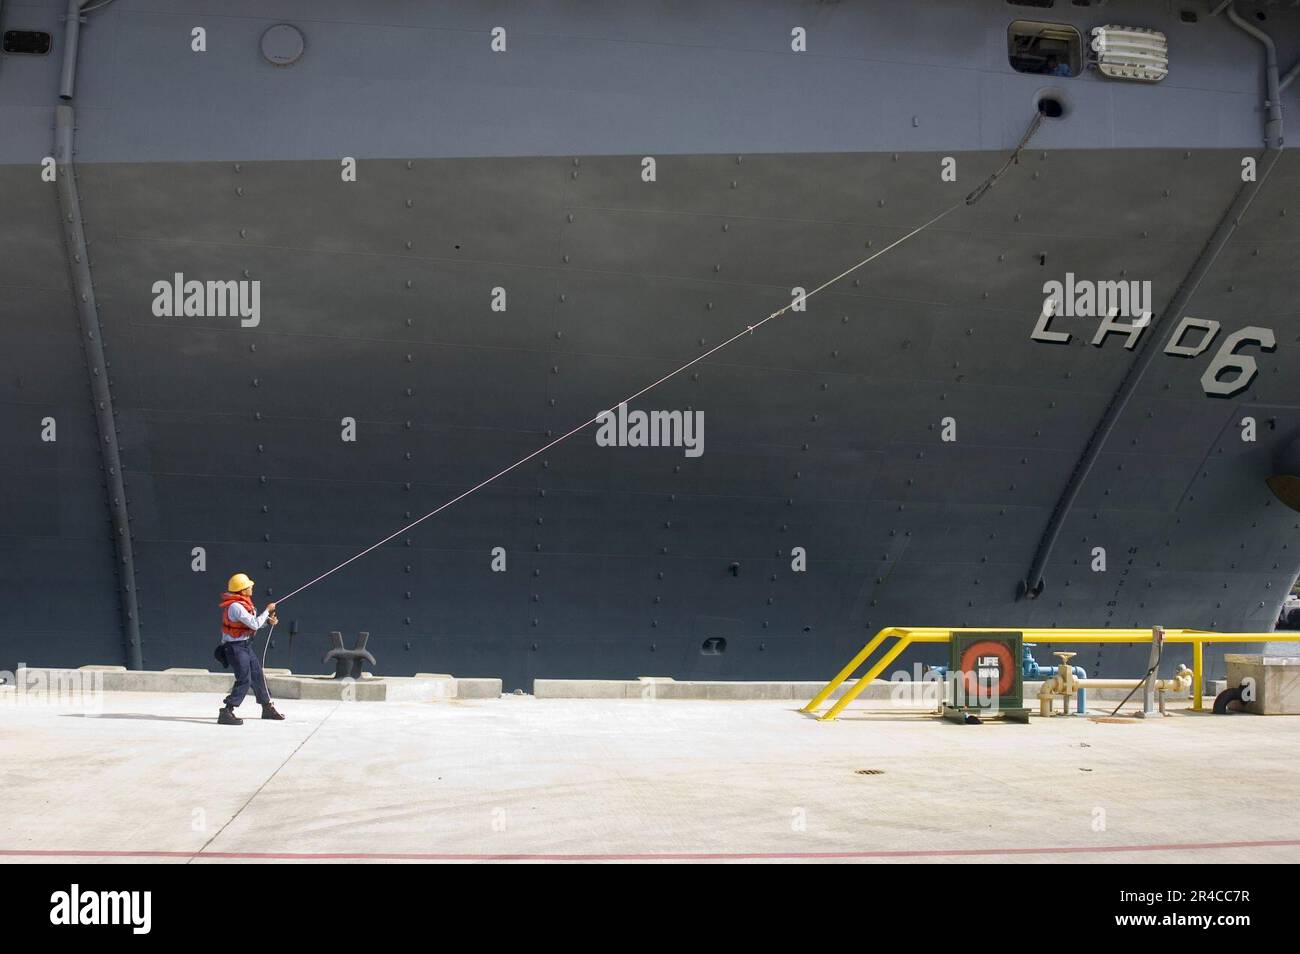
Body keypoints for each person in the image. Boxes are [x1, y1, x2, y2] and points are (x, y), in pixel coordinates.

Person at [216, 572, 284, 725]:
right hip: (236, 648)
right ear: (242, 589)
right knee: (244, 679)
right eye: (249, 586)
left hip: (245, 646)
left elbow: (252, 624)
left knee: (258, 676)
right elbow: (254, 624)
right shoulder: (235, 606)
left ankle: (267, 707)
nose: (252, 587)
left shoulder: (243, 603)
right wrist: (267, 610)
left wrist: (268, 622)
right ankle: (227, 711)